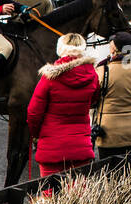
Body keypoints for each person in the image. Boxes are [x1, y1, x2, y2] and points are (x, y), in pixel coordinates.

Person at [27, 33, 100, 180]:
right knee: (79, 194)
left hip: (51, 144)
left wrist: (36, 134)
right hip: (80, 144)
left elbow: (33, 112)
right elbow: (94, 100)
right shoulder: (92, 75)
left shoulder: (49, 77)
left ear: (60, 49)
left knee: (49, 194)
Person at [93, 31, 131, 158]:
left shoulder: (102, 71)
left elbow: (92, 101)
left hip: (108, 133)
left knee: (109, 170)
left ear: (114, 48)